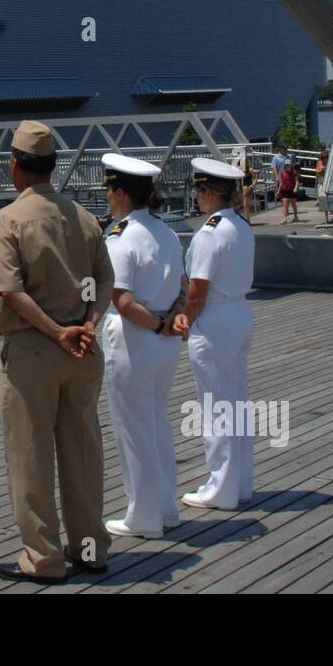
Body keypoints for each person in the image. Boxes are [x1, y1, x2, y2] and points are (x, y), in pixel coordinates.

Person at [0, 120, 114, 584]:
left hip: (35, 351)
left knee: (30, 456)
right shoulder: (84, 217)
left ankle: (43, 558)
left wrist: (58, 332)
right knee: (83, 452)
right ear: (52, 165)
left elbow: (11, 292)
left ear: (15, 166)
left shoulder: (7, 220)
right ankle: (91, 548)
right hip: (83, 349)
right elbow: (105, 279)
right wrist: (89, 324)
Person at [98, 153, 185, 539]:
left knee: (132, 427)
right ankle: (166, 508)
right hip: (166, 342)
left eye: (109, 189)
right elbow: (183, 287)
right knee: (156, 421)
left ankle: (143, 516)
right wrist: (170, 321)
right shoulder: (166, 232)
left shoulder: (120, 236)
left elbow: (123, 301)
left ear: (120, 193)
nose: (106, 196)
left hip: (134, 340)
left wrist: (158, 325)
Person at [173, 157, 256, 511]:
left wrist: (184, 321)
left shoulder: (210, 232)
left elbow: (198, 291)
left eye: (199, 192)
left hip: (215, 320)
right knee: (236, 401)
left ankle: (220, 488)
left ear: (208, 193)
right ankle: (240, 483)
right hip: (239, 313)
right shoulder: (241, 225)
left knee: (215, 406)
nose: (197, 198)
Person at [278, 157, 300, 223]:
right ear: (285, 166)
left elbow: (297, 182)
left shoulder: (294, 172)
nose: (288, 167)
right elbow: (281, 183)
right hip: (285, 190)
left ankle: (296, 217)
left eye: (289, 165)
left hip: (292, 190)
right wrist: (278, 191)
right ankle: (284, 219)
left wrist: (295, 188)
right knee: (285, 205)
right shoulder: (282, 173)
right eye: (287, 165)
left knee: (293, 204)